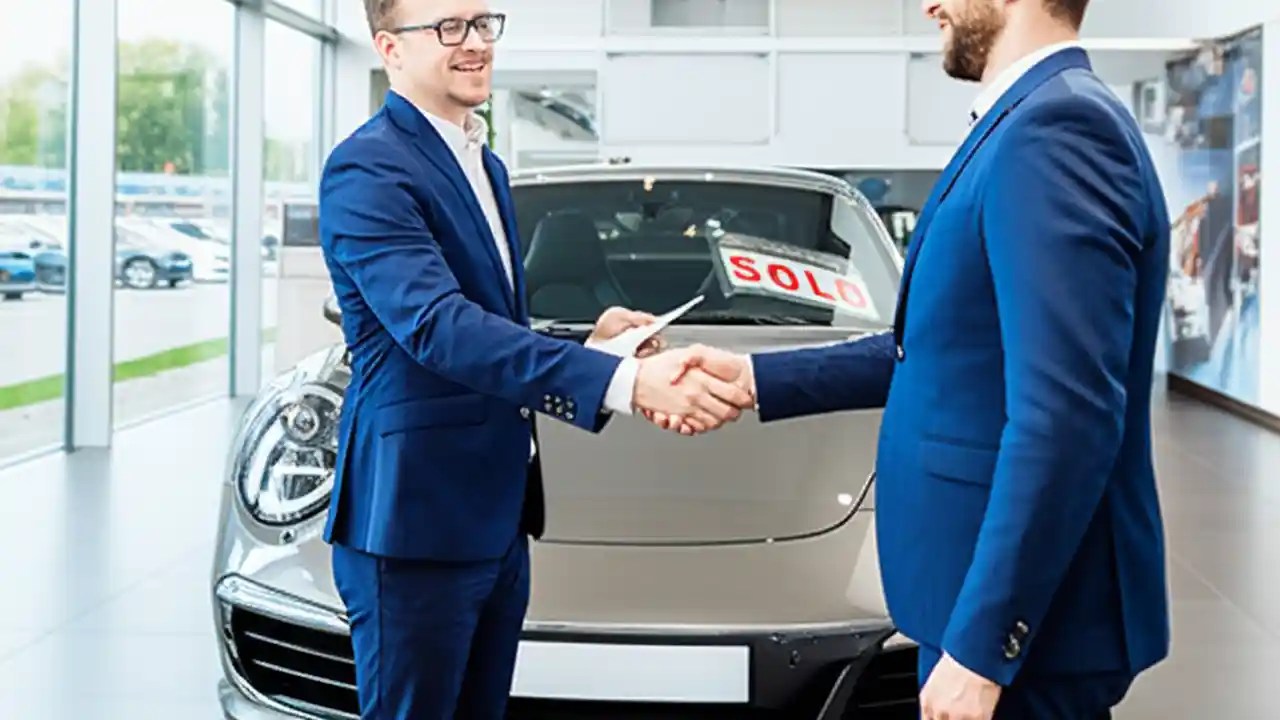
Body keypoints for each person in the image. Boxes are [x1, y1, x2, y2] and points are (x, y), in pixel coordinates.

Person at [656, 0, 1172, 717]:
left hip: (1020, 636)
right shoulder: (1030, 120)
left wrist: (984, 649)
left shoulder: (1056, 131)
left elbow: (1067, 418)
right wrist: (752, 377)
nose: (930, 4)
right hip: (974, 602)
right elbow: (937, 345)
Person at [317, 2, 752, 718]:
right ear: (390, 48)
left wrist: (592, 344)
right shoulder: (368, 167)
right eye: (449, 28)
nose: (475, 43)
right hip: (416, 522)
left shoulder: (482, 163)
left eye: (483, 22)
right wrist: (623, 380)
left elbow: (488, 323)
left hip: (497, 517)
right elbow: (437, 327)